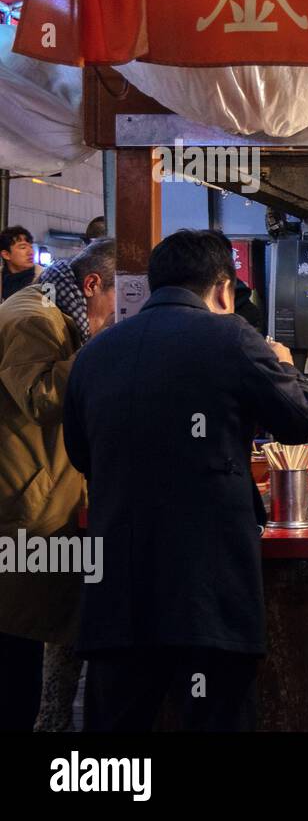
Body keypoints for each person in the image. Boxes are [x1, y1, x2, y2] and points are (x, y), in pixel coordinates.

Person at [63, 229, 308, 731]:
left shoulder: (95, 353)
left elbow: (81, 454)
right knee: (216, 717)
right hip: (207, 592)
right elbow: (301, 422)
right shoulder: (234, 338)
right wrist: (288, 369)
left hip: (117, 592)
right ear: (223, 289)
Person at [0, 238, 115, 731]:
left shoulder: (58, 309)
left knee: (47, 632)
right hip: (26, 503)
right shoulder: (34, 317)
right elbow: (44, 399)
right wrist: (113, 348)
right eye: (120, 299)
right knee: (18, 645)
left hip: (46, 495)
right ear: (92, 284)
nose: (120, 313)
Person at [1, 225, 40, 301]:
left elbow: (50, 308)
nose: (31, 252)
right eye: (23, 247)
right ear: (6, 255)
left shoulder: (47, 280)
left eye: (31, 247)